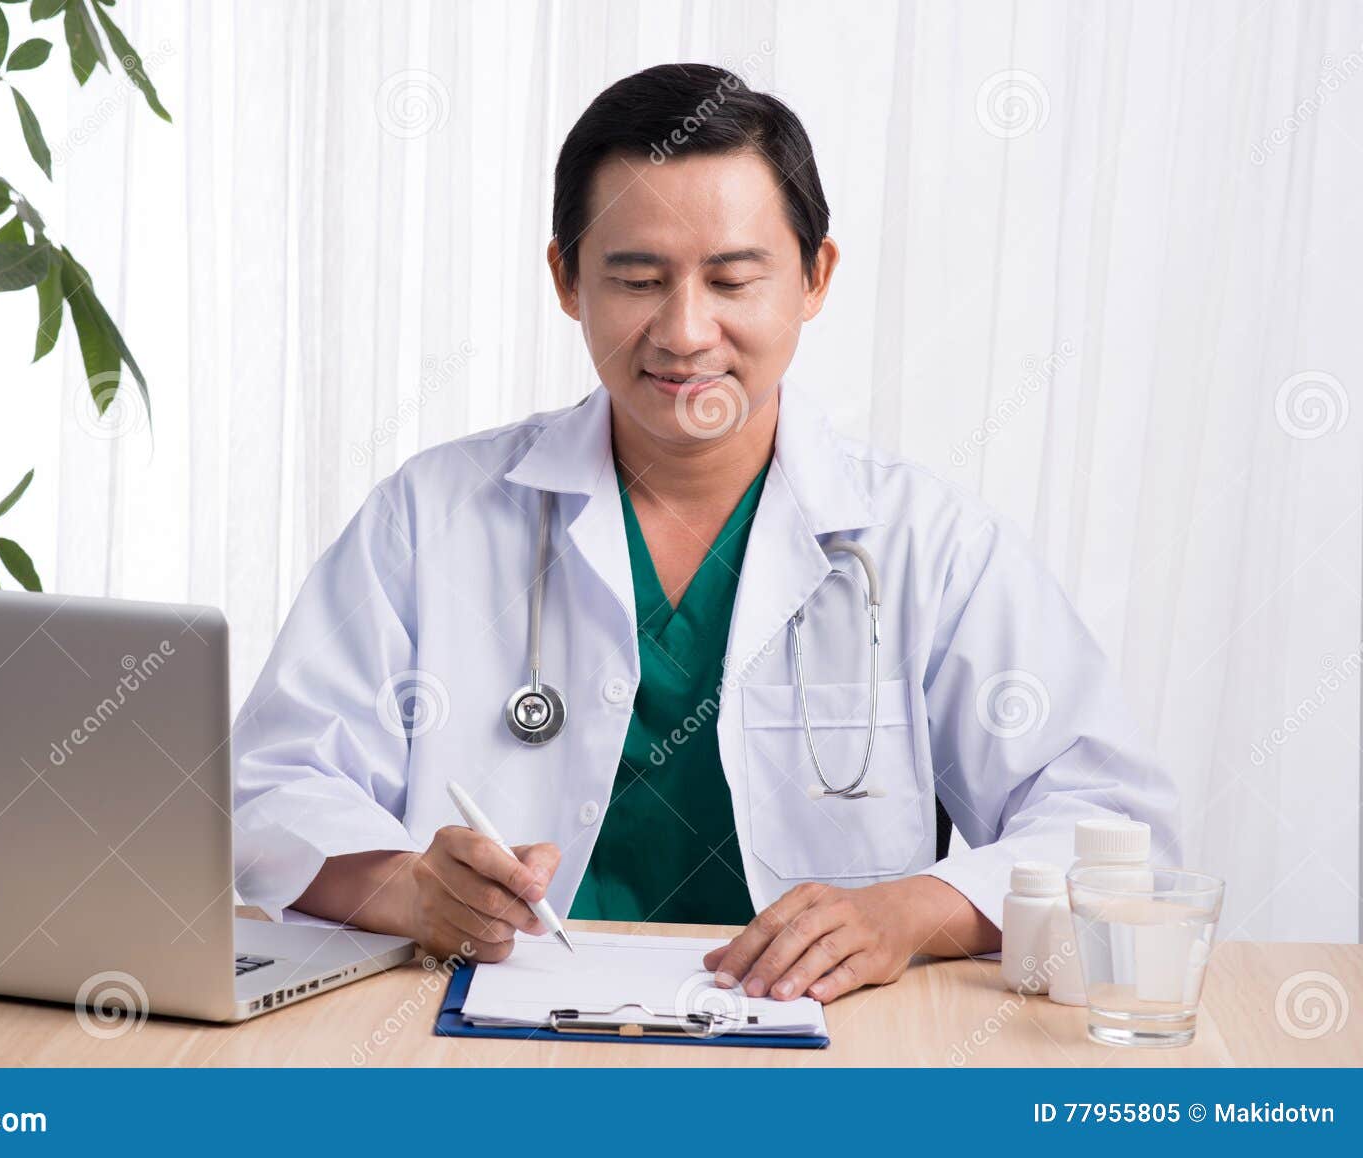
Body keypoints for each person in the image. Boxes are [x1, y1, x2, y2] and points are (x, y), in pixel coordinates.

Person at [231, 64, 1181, 1005]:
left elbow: (1114, 826)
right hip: (484, 1036)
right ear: (567, 280)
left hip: (825, 1048)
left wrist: (907, 913)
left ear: (815, 277)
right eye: (639, 278)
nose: (686, 332)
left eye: (732, 278)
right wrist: (411, 890)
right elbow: (267, 787)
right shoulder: (430, 516)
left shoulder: (931, 544)